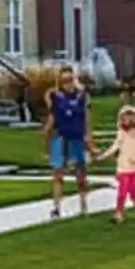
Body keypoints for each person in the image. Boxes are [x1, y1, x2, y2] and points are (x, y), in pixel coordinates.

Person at [42, 65, 94, 218]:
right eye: (64, 80)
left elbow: (87, 119)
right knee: (58, 174)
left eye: (70, 80)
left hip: (77, 138)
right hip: (60, 137)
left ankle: (83, 205)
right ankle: (56, 207)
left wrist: (89, 139)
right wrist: (46, 135)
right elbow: (52, 116)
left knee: (80, 174)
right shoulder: (57, 98)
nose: (67, 84)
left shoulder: (81, 97)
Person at [97, 104, 135, 225]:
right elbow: (114, 147)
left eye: (132, 118)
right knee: (122, 192)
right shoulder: (121, 134)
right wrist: (102, 156)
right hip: (124, 167)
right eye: (125, 118)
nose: (129, 121)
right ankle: (118, 214)